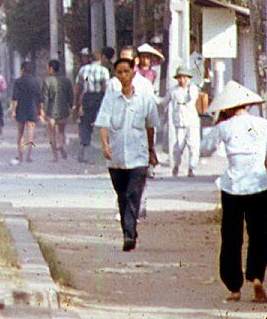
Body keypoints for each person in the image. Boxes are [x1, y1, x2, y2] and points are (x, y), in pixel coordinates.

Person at [204, 82, 267, 302]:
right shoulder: (262, 124)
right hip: (259, 183)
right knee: (259, 234)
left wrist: (218, 123)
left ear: (228, 107)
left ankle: (234, 287)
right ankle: (257, 278)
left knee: (231, 236)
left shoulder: (225, 126)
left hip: (232, 187)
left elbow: (205, 147)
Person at [94, 56, 159, 251]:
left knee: (133, 193)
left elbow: (150, 127)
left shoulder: (145, 99)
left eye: (126, 71)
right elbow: (103, 123)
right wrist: (105, 144)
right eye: (119, 72)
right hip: (116, 158)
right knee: (122, 195)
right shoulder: (111, 99)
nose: (123, 76)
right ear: (116, 75)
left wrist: (151, 150)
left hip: (138, 155)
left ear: (133, 72)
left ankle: (128, 235)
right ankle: (129, 229)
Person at [74, 48, 110, 162]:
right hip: (99, 97)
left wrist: (76, 103)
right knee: (102, 122)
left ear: (90, 58)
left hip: (87, 97)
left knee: (85, 122)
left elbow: (79, 86)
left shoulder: (84, 70)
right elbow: (105, 86)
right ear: (100, 58)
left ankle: (84, 146)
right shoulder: (103, 70)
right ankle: (104, 147)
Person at [167, 66, 202, 178]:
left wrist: (189, 88)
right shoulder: (173, 90)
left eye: (184, 77)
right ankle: (176, 166)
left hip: (192, 120)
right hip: (179, 121)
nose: (182, 80)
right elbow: (164, 101)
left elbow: (192, 99)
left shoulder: (193, 88)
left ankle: (192, 168)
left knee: (193, 146)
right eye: (180, 78)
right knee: (178, 147)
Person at [42, 59, 75, 161]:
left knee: (52, 134)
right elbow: (70, 96)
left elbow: (45, 98)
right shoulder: (66, 80)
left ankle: (55, 156)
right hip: (64, 110)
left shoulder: (47, 81)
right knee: (61, 132)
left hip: (51, 111)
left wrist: (44, 111)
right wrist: (71, 107)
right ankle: (62, 145)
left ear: (51, 68)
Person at [11, 61, 43, 164]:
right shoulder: (36, 82)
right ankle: (28, 156)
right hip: (33, 109)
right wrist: (40, 111)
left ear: (23, 70)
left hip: (21, 109)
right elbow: (40, 98)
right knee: (30, 133)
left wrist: (13, 111)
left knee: (20, 134)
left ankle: (21, 156)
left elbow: (15, 98)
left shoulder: (18, 82)